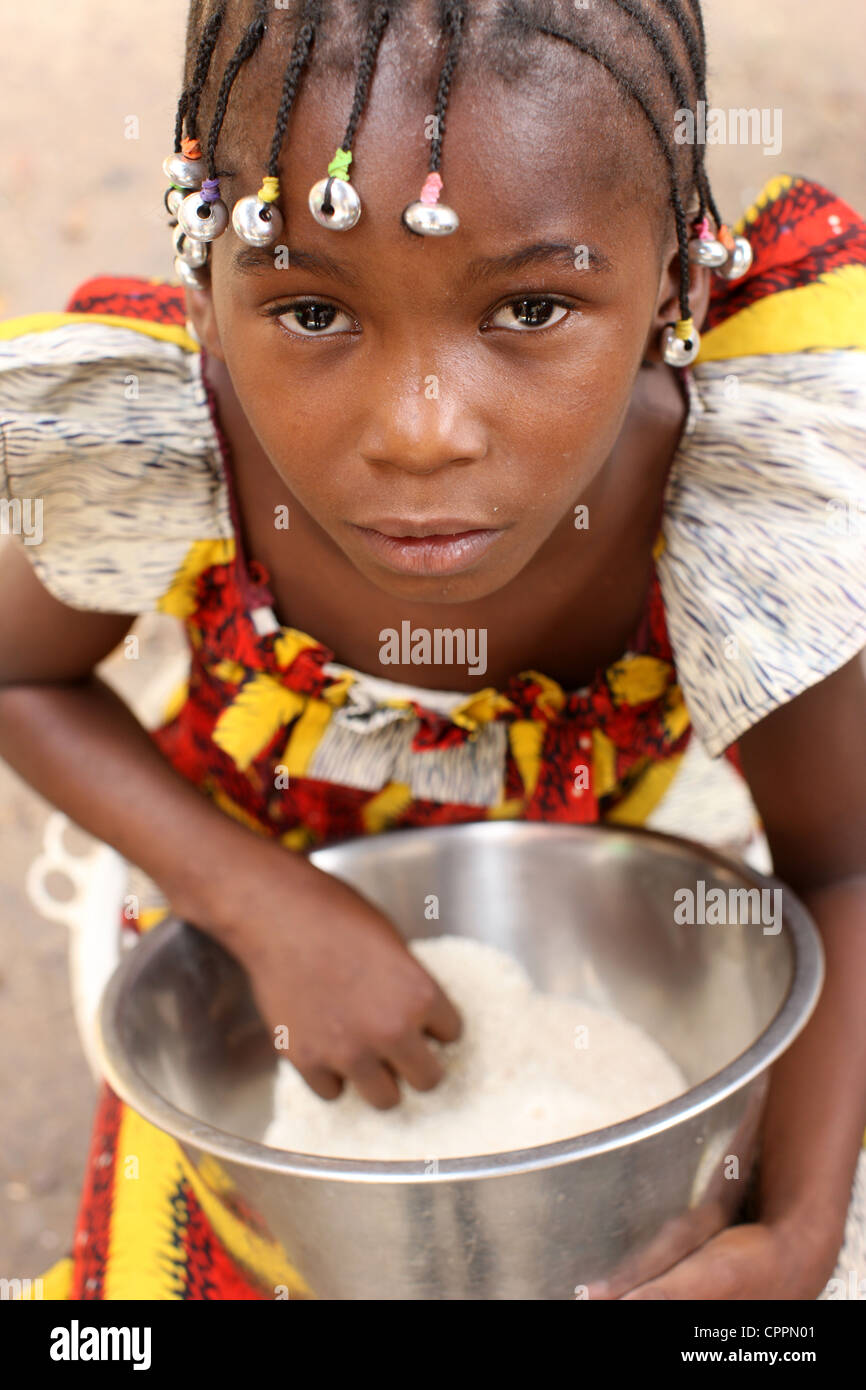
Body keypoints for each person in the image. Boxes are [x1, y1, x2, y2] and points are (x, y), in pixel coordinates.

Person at [1, 0, 864, 1301]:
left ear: (678, 288)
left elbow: (841, 864)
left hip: (608, 925)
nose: (418, 432)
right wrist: (258, 902)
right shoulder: (176, 434)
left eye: (528, 307)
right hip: (234, 922)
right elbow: (19, 671)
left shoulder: (736, 490)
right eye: (306, 311)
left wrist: (795, 1239)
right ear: (205, 283)